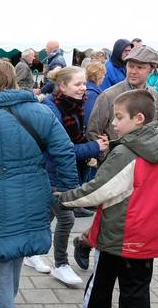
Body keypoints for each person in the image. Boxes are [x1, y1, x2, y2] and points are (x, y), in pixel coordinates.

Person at [0, 60, 77, 308]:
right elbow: (64, 151)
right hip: (36, 189)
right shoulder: (41, 112)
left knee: (0, 252)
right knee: (16, 247)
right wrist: (70, 189)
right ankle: (7, 301)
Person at [60, 89, 158, 308]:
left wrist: (65, 199)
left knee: (102, 277)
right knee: (137, 287)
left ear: (138, 118)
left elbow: (101, 188)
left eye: (119, 117)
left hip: (119, 231)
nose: (113, 123)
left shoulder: (127, 152)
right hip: (148, 233)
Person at [29, 66, 103, 287]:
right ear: (62, 86)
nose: (83, 88)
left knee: (48, 215)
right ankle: (61, 264)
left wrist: (95, 143)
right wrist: (94, 147)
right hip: (51, 172)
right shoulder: (52, 108)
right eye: (78, 84)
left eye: (84, 83)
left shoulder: (74, 106)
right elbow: (62, 150)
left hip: (64, 172)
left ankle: (31, 253)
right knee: (66, 218)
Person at [87, 45, 158, 143]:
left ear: (151, 70)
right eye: (130, 66)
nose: (133, 71)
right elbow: (93, 132)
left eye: (140, 67)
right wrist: (108, 155)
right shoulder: (108, 96)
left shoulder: (155, 96)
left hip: (146, 157)